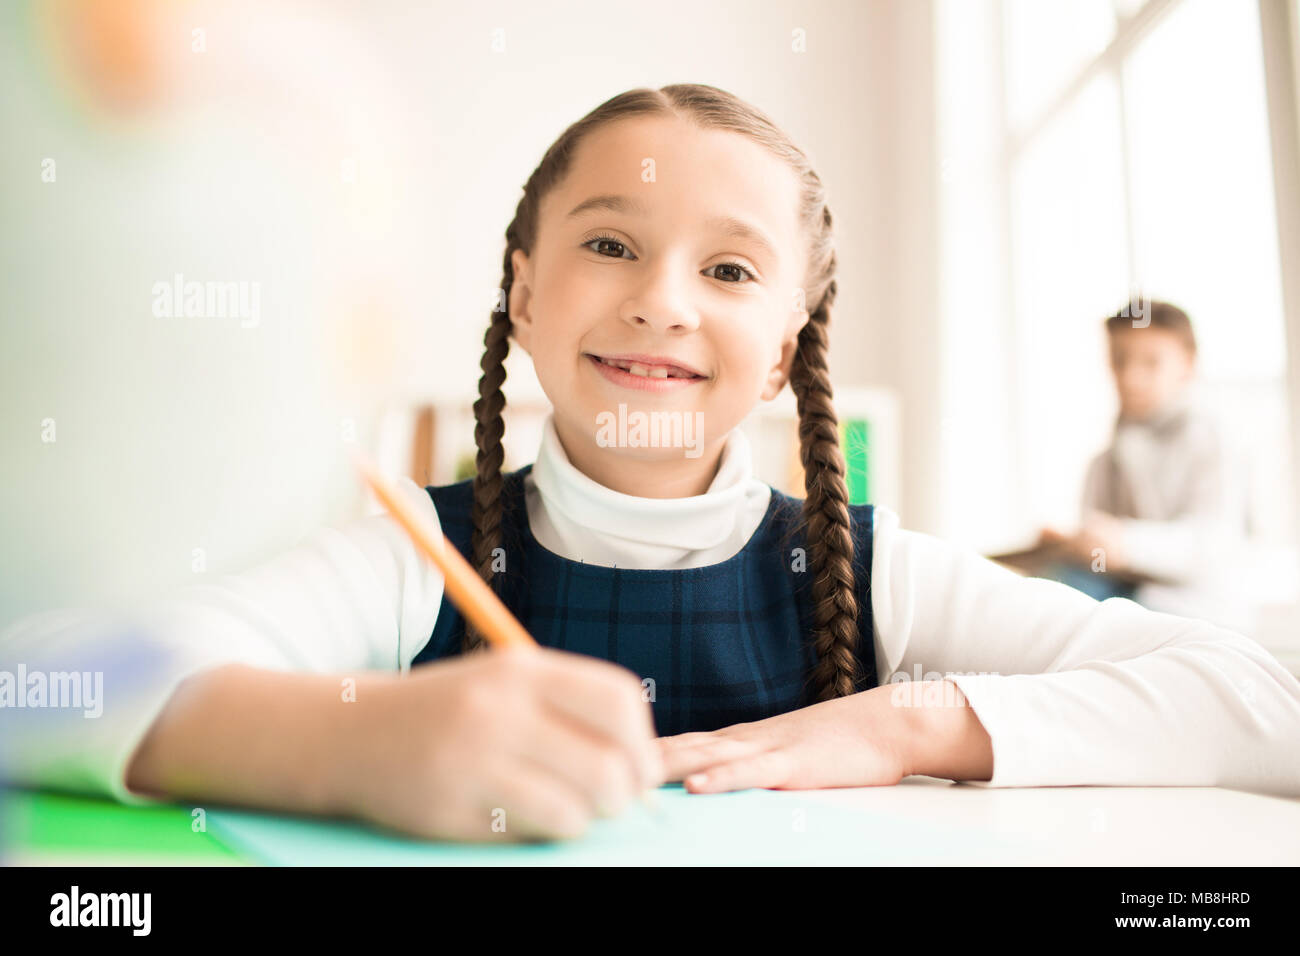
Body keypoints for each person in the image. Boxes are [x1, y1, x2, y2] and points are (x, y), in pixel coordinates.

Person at [3, 86, 1299, 846]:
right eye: (610, 244)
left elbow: (1268, 705)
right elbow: (34, 680)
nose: (664, 301)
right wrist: (342, 744)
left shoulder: (874, 567)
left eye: (730, 269)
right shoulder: (417, 563)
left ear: (785, 344)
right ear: (522, 291)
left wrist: (914, 721)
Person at [1033, 301, 1254, 632]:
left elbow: (1211, 545)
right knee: (1050, 597)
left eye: (1151, 363)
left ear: (1188, 365)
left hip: (1196, 614)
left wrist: (1123, 543)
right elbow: (1100, 562)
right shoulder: (1104, 460)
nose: (1130, 378)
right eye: (1119, 360)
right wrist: (1076, 544)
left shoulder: (1216, 441)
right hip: (1125, 601)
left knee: (1076, 618)